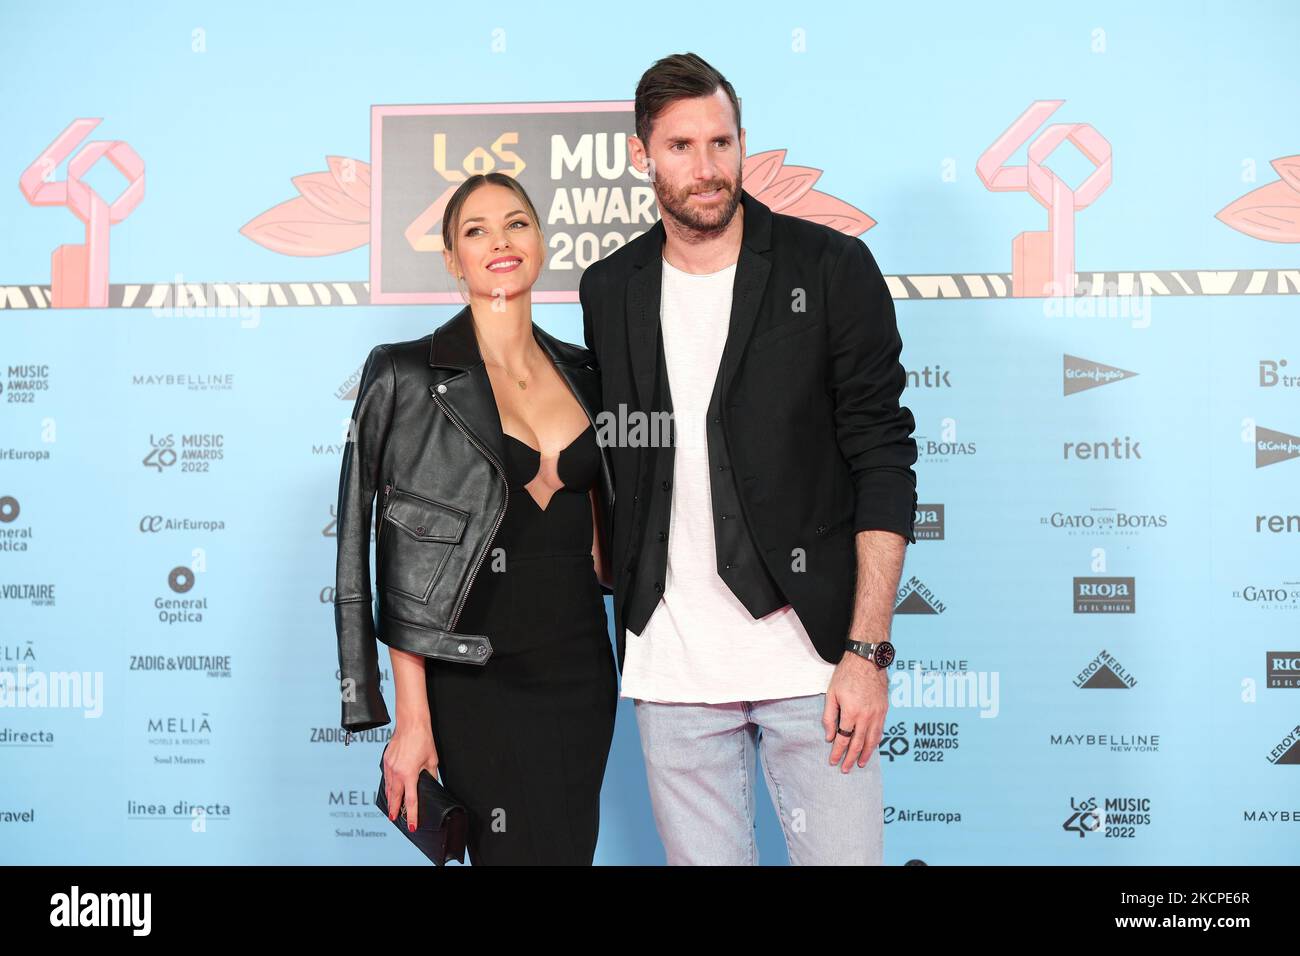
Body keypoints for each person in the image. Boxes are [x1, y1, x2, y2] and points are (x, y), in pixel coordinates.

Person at [579, 52, 918, 865]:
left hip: (814, 661)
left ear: (742, 141)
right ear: (641, 155)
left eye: (722, 143)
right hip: (671, 666)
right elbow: (617, 451)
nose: (707, 168)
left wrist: (866, 652)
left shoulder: (828, 268)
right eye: (681, 146)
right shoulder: (610, 288)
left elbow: (881, 457)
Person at [334, 172, 617, 864]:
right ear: (452, 259)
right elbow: (388, 557)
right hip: (475, 678)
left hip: (581, 673)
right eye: (475, 230)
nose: (500, 242)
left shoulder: (590, 373)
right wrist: (410, 718)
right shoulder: (407, 375)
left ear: (542, 242)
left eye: (517, 223)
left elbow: (609, 537)